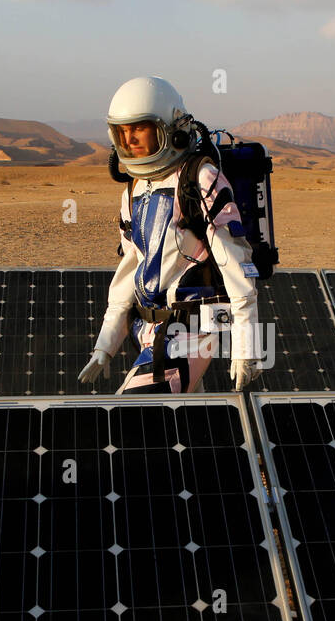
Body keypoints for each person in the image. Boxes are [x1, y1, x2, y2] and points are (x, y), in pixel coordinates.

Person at [78, 76, 261, 393]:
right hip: (148, 331)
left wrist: (248, 347)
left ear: (171, 129)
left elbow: (238, 269)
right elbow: (130, 270)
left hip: (190, 333)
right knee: (177, 430)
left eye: (139, 128)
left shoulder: (201, 179)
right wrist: (105, 345)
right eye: (122, 131)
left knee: (135, 421)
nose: (129, 139)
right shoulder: (134, 188)